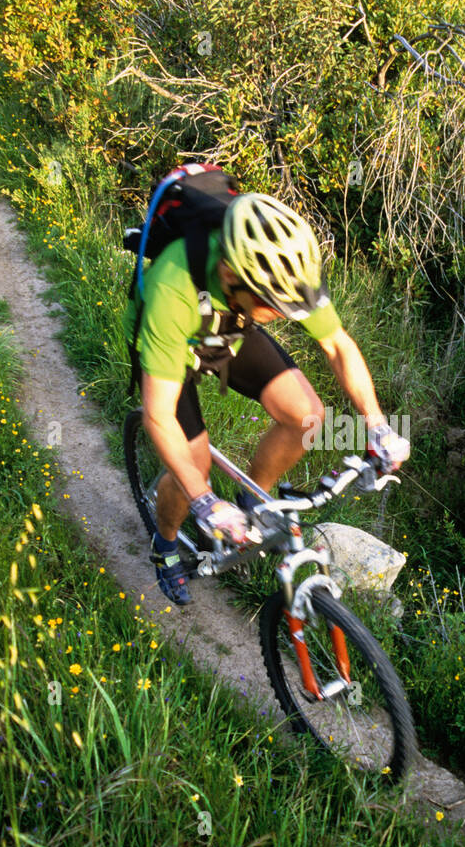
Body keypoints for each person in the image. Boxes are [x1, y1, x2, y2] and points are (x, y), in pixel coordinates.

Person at [125, 190, 410, 605]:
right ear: (228, 274)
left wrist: (379, 426)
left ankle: (252, 501)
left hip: (228, 325)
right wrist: (204, 502)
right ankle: (165, 544)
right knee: (194, 466)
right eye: (272, 304)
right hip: (175, 341)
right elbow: (158, 417)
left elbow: (338, 347)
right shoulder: (174, 288)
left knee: (308, 416)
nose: (284, 313)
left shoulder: (283, 273)